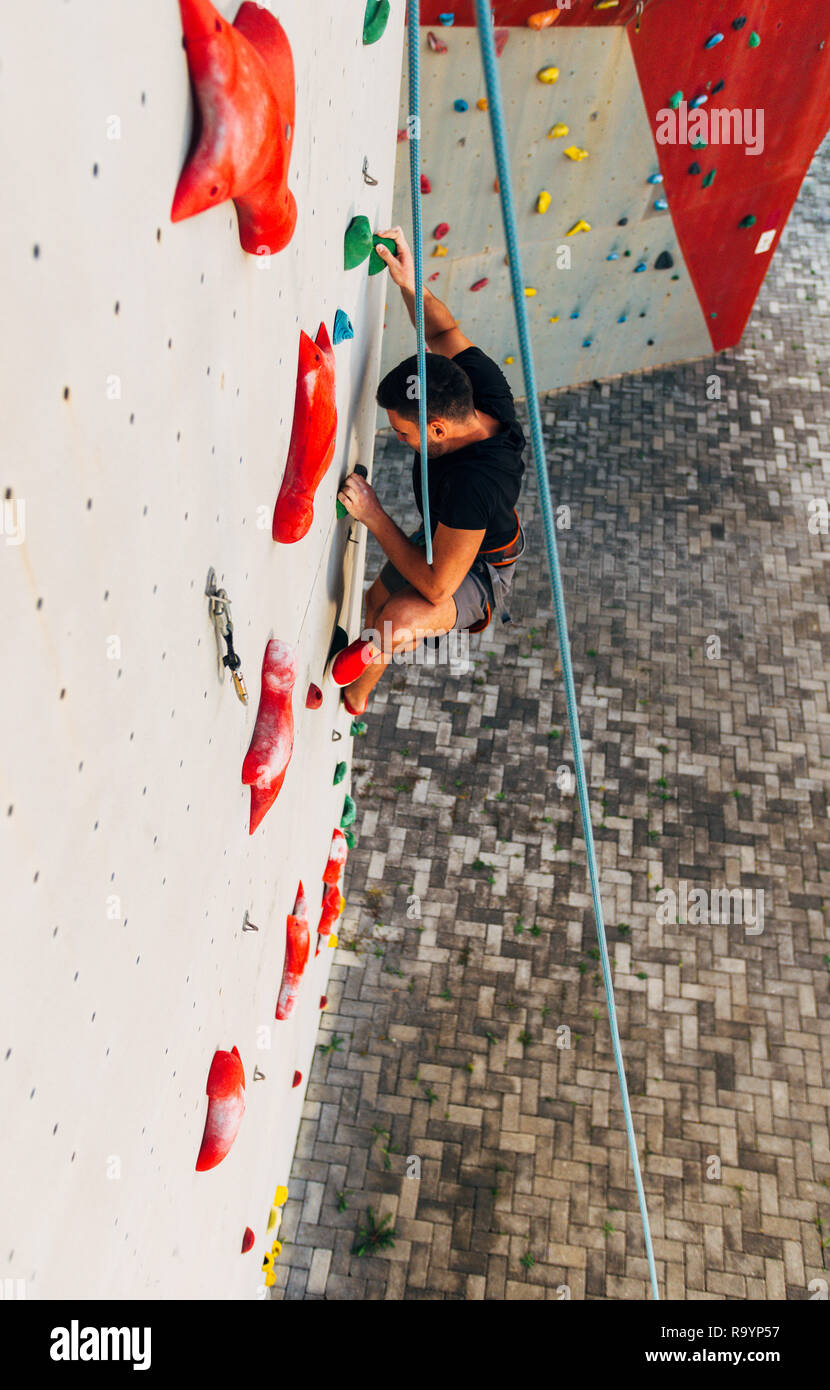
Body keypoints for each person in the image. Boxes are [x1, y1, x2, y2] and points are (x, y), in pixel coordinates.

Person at [335, 226, 527, 715]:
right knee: (377, 600)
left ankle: (360, 674)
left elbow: (440, 585)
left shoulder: (473, 484)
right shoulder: (478, 389)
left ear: (437, 429)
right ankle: (356, 698)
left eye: (405, 432)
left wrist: (374, 515)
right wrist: (409, 282)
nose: (400, 440)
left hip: (480, 568)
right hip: (448, 530)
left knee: (397, 617)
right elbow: (442, 333)